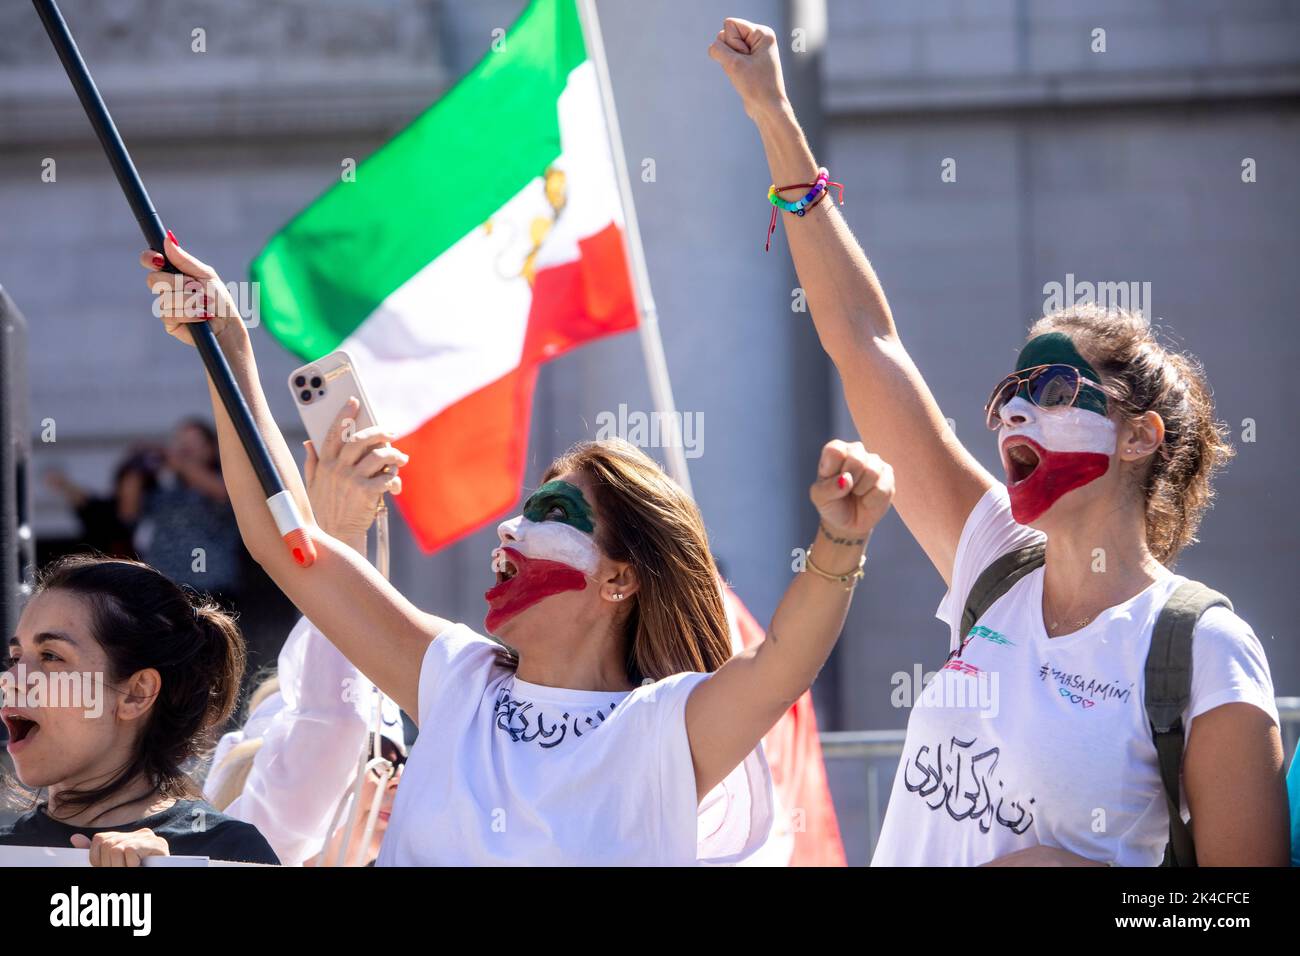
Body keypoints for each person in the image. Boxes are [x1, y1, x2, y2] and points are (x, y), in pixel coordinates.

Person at [711, 18, 1288, 866]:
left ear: (1139, 437)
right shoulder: (996, 565)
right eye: (1008, 395)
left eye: (1052, 391)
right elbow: (863, 337)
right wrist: (773, 117)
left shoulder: (1201, 649)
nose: (1015, 415)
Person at [137, 236, 895, 865]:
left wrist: (841, 538)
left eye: (553, 513)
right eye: (525, 510)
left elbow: (781, 664)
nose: (510, 529)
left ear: (621, 578)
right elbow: (286, 543)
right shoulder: (456, 677)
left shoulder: (666, 728)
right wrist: (226, 347)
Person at [202, 406, 406, 867]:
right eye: (373, 756)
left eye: (399, 760)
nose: (395, 778)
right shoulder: (262, 841)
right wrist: (339, 536)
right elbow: (335, 715)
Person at [0, 554, 279, 865]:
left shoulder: (229, 851)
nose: (11, 679)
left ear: (136, 693)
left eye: (50, 656)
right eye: (15, 658)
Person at [134, 418, 242, 604]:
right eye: (180, 441)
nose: (184, 448)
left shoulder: (223, 478)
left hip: (209, 586)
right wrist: (134, 470)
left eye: (193, 442)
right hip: (164, 585)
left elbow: (223, 493)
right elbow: (128, 513)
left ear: (210, 449)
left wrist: (178, 462)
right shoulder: (165, 484)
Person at [43, 447, 159, 558]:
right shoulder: (104, 512)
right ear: (119, 486)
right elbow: (84, 500)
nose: (133, 492)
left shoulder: (151, 515)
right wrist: (62, 483)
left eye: (139, 486)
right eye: (129, 485)